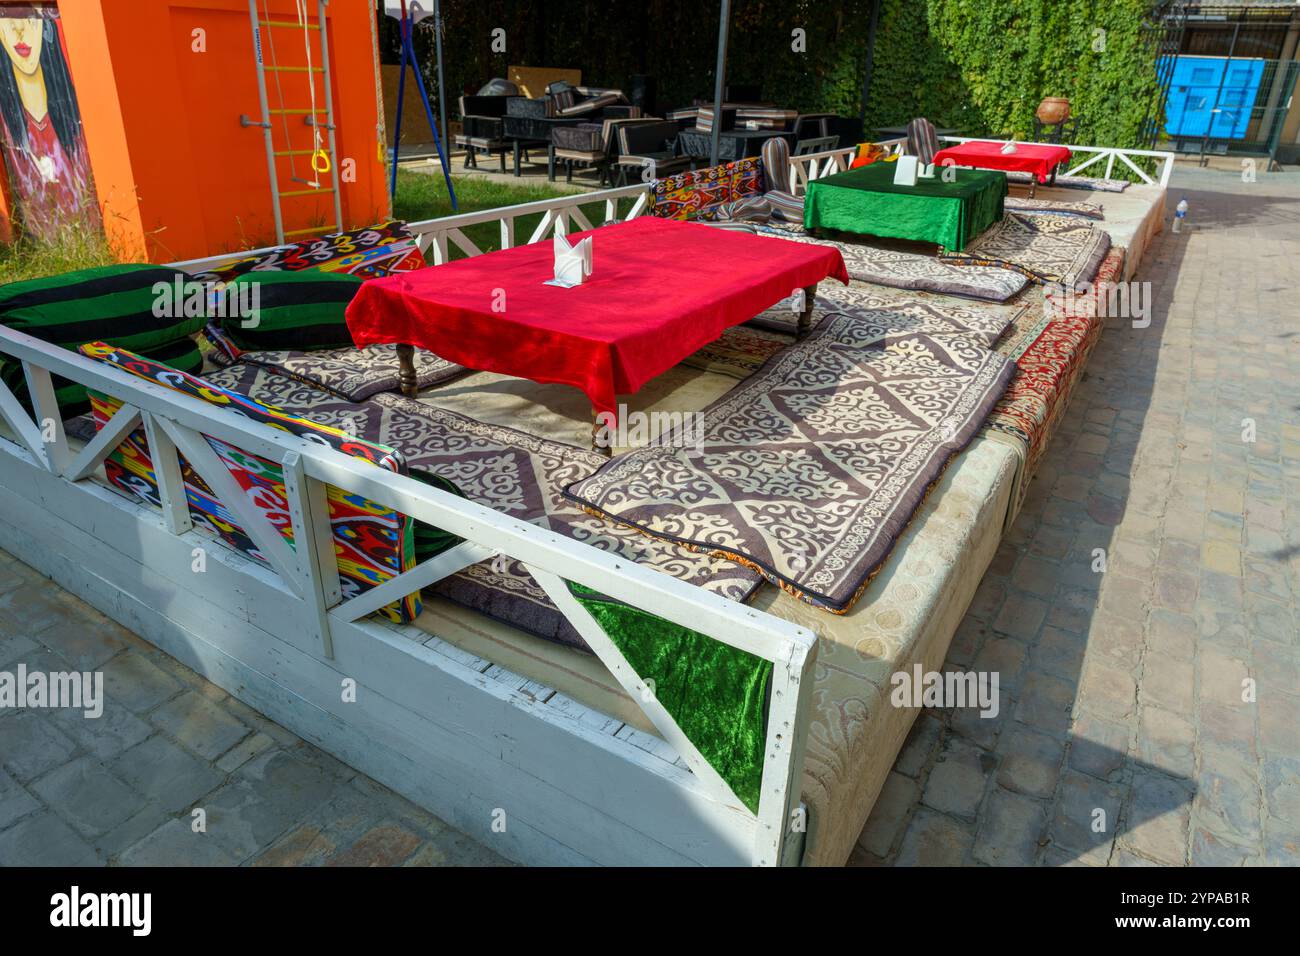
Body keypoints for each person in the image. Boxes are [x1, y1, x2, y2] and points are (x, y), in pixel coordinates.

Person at [0, 11, 97, 243]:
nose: (20, 31)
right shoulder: (10, 130)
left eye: (30, 21)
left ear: (46, 29)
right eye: (8, 24)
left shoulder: (74, 121)